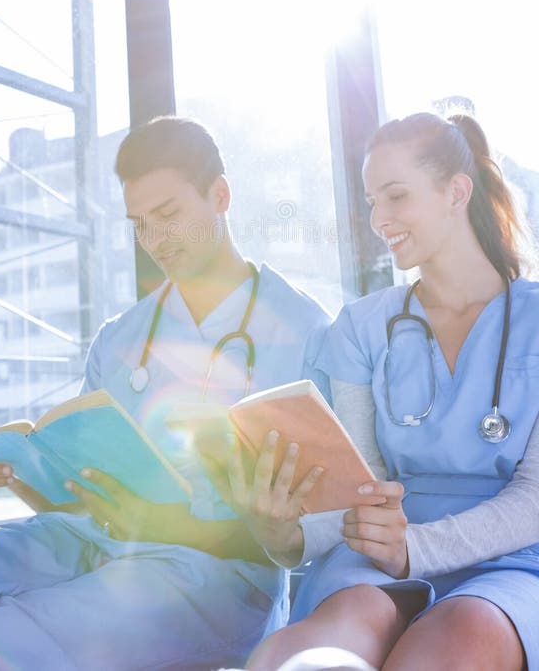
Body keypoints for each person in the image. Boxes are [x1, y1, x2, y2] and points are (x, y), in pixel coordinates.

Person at [0, 116, 331, 671]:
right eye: (140, 224)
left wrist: (161, 522)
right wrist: (16, 469)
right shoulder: (122, 337)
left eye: (168, 216)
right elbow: (79, 497)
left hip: (219, 574)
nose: (154, 241)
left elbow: (317, 526)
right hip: (95, 542)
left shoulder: (304, 331)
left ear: (221, 195)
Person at [225, 113, 539, 671]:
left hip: (512, 561)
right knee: (303, 655)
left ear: (456, 192)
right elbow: (360, 483)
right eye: (372, 201)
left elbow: (535, 498)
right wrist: (286, 533)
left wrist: (415, 548)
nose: (378, 219)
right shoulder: (362, 327)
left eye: (396, 196)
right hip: (375, 550)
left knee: (453, 644)